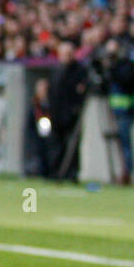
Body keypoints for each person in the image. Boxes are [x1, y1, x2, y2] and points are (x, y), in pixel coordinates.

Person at [97, 37, 134, 184]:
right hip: (114, 109)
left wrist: (112, 68)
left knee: (125, 143)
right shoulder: (112, 67)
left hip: (126, 109)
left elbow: (126, 81)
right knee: (118, 143)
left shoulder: (127, 65)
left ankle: (127, 173)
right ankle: (120, 172)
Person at [47, 40, 88, 180]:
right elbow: (51, 92)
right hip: (55, 114)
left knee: (72, 146)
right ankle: (55, 172)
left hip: (71, 114)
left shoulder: (79, 71)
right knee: (55, 146)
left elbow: (81, 92)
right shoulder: (56, 70)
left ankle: (71, 173)